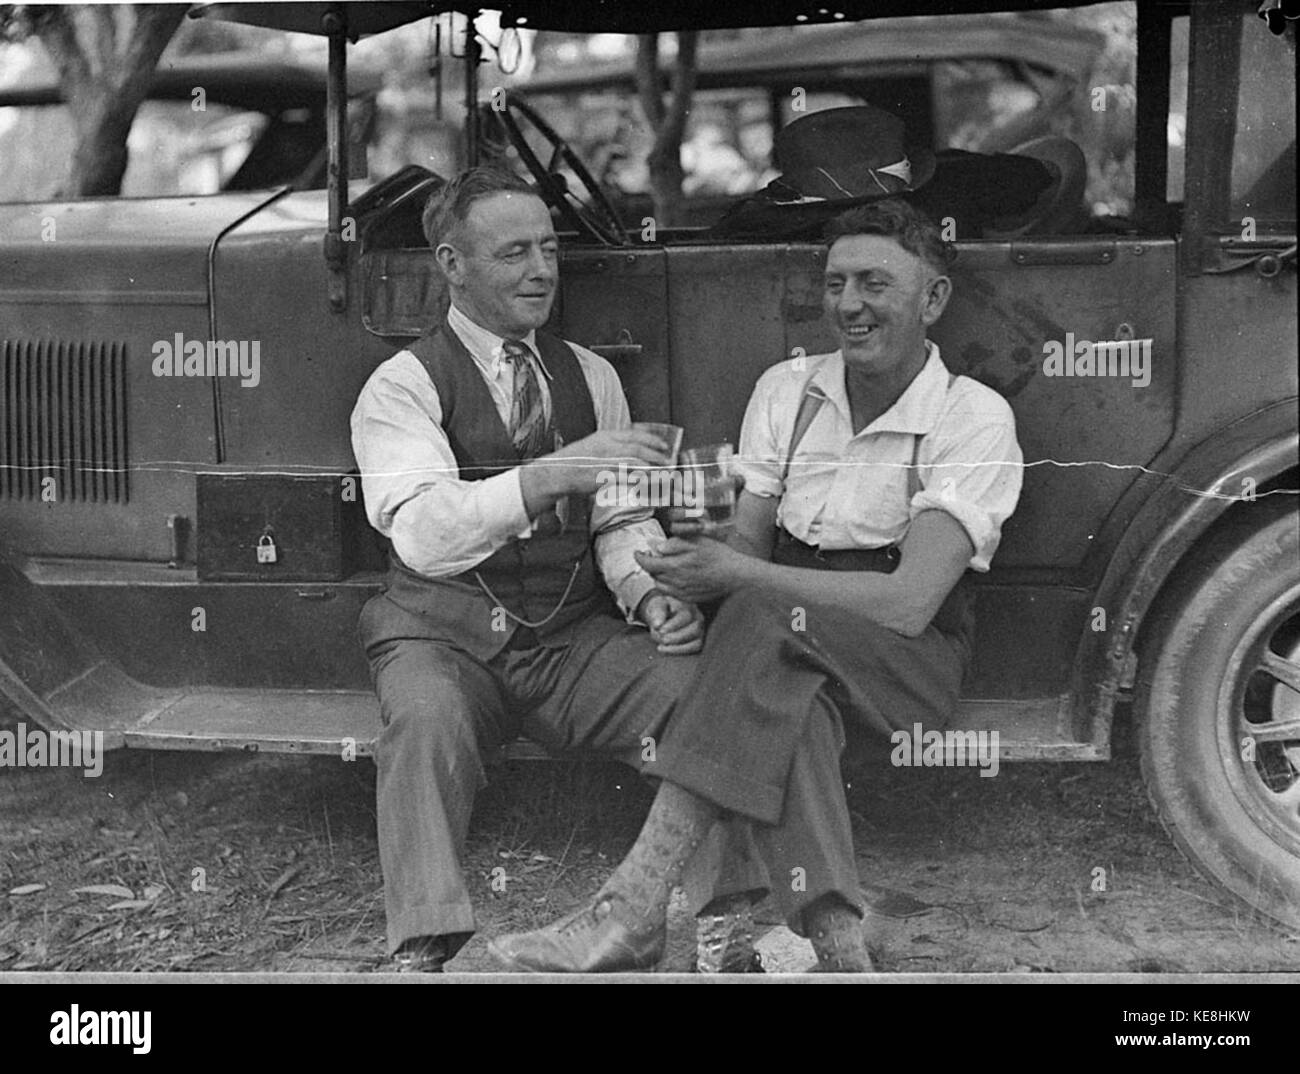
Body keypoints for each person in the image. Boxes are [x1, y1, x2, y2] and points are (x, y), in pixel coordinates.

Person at [491, 197, 1024, 973]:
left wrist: (742, 577)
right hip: (791, 638)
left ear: (932, 299)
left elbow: (912, 604)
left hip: (904, 659)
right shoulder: (790, 389)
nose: (849, 306)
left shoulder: (972, 416)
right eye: (836, 283)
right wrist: (686, 579)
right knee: (788, 704)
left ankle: (634, 906)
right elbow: (747, 540)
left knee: (764, 616)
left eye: (875, 284)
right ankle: (844, 954)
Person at [350, 166, 705, 972]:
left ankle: (706, 918)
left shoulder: (593, 375)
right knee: (426, 724)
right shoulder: (399, 387)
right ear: (452, 265)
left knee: (701, 694)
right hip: (441, 635)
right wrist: (550, 473)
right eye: (514, 253)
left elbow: (619, 519)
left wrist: (648, 594)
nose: (542, 270)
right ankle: (425, 943)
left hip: (568, 638)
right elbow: (428, 538)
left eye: (549, 248)